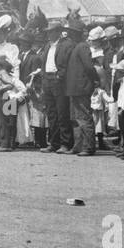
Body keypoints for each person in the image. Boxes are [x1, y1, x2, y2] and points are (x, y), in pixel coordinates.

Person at [63, 20, 99, 156]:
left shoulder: (82, 46)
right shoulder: (78, 47)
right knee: (76, 119)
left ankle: (88, 146)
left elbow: (89, 67)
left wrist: (95, 79)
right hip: (75, 87)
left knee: (83, 117)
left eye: (72, 32)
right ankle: (78, 146)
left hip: (80, 87)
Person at [39, 19, 74, 153]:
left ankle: (66, 143)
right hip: (47, 80)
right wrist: (44, 77)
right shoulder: (48, 46)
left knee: (62, 113)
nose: (49, 34)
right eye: (48, 32)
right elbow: (44, 64)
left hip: (58, 80)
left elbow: (67, 63)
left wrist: (60, 75)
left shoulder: (66, 44)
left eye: (52, 32)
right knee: (51, 114)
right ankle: (54, 143)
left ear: (58, 32)